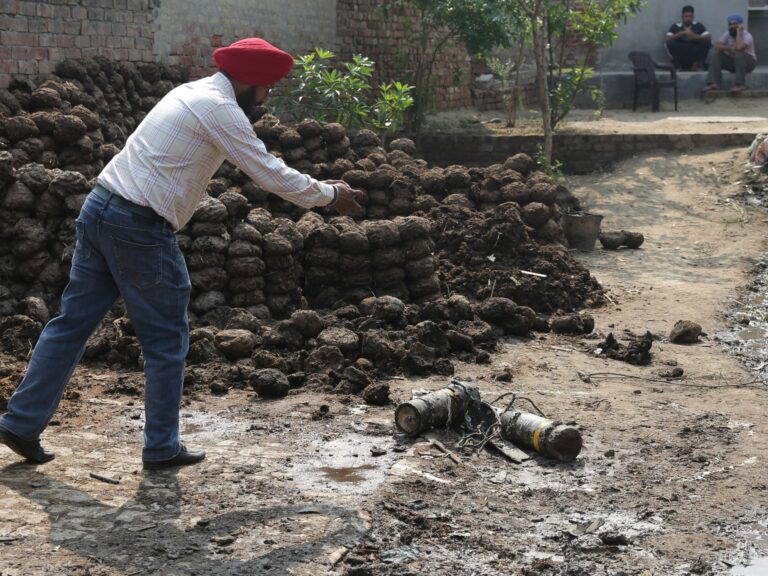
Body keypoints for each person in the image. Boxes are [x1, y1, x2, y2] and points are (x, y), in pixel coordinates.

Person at [0, 38, 364, 470]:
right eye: (267, 88)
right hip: (139, 226)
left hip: (100, 207)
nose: (267, 98)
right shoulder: (221, 110)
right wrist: (330, 194)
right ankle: (161, 447)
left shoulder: (191, 92)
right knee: (166, 339)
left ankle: (21, 423)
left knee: (70, 325)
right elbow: (268, 173)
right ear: (249, 82)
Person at [705, 15, 757, 92]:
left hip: (749, 64)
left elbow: (739, 48)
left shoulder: (747, 36)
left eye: (735, 24)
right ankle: (714, 83)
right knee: (716, 54)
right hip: (735, 63)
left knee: (738, 53)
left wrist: (739, 32)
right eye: (730, 24)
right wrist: (730, 48)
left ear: (740, 25)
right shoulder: (727, 34)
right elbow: (717, 46)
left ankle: (740, 84)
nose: (732, 26)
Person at [665, 5, 712, 71]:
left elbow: (708, 37)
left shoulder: (698, 25)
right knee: (670, 43)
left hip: (694, 55)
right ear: (682, 17)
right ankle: (678, 66)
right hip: (681, 55)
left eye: (690, 16)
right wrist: (682, 33)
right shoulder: (675, 26)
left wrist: (694, 36)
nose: (688, 18)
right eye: (686, 16)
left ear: (693, 17)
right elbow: (667, 39)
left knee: (707, 42)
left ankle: (698, 65)